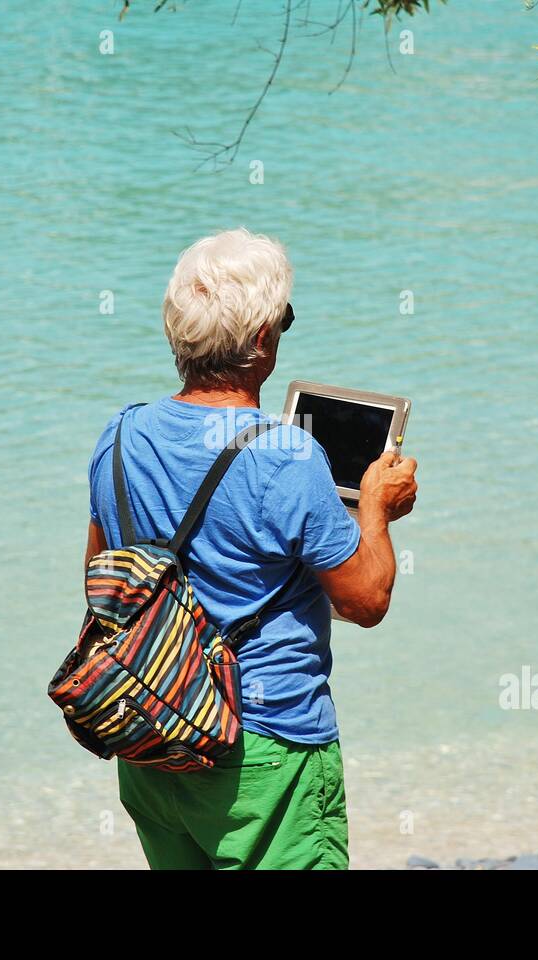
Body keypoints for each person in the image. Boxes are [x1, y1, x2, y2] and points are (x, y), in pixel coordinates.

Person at [84, 227, 418, 869]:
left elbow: (103, 584)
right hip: (263, 752)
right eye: (283, 320)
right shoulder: (288, 456)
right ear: (263, 339)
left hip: (151, 736)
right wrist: (376, 510)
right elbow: (367, 599)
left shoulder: (119, 436)